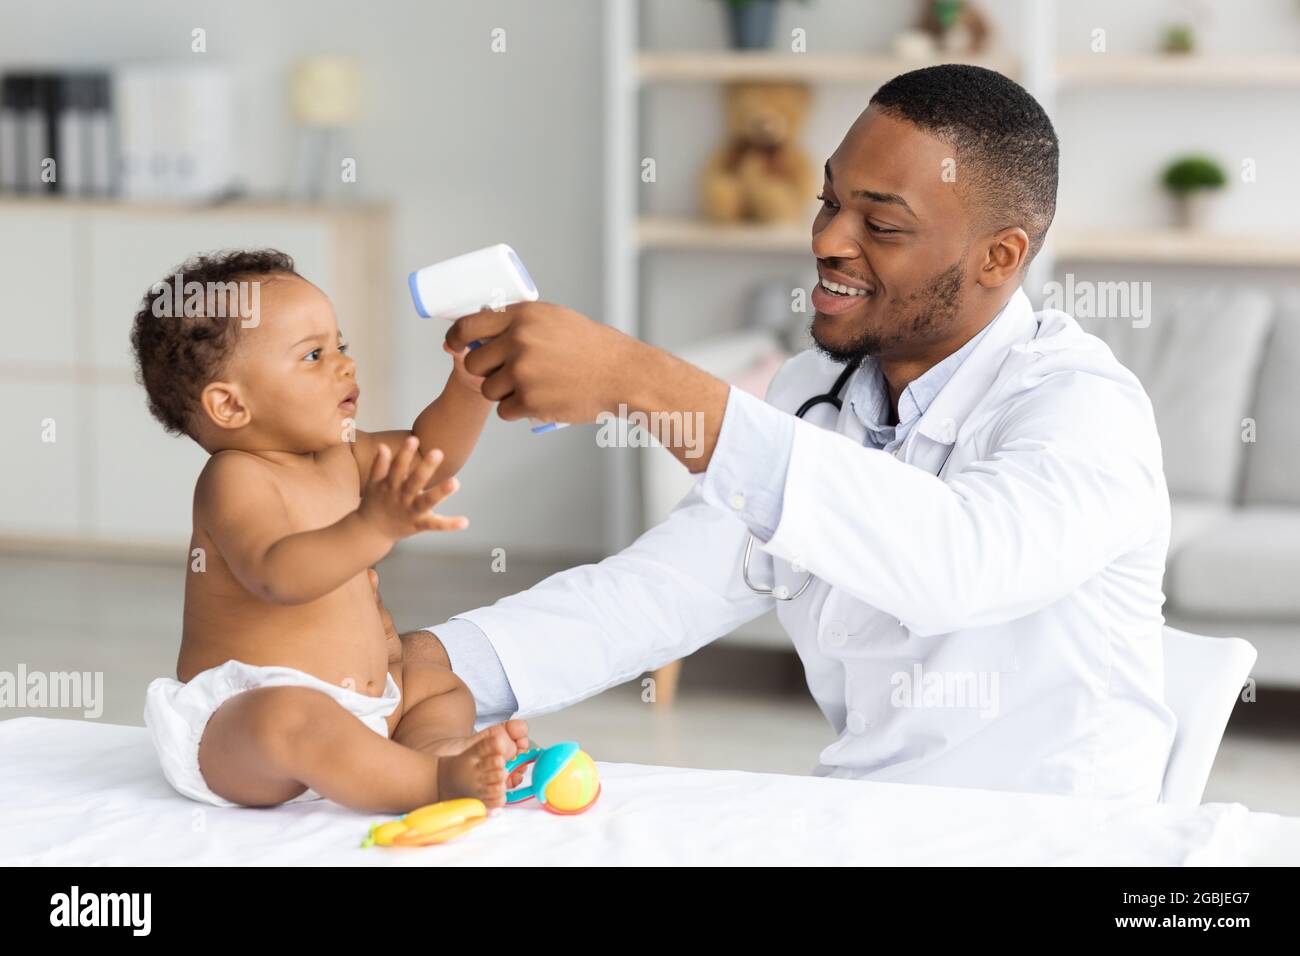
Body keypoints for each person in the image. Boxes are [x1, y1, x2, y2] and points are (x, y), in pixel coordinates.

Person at [401, 65, 1177, 802]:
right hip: (865, 818)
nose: (828, 240)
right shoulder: (817, 391)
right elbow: (670, 586)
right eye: (827, 200)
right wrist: (441, 663)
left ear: (999, 256)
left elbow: (955, 566)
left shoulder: (1083, 407)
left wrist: (637, 379)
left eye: (880, 223)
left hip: (1056, 839)